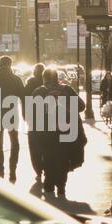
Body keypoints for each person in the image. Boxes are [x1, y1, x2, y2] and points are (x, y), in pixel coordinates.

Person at [33, 68, 85, 200]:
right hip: (66, 130)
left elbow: (33, 113)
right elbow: (81, 106)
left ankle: (49, 184)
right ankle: (61, 185)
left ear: (43, 78)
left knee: (48, 156)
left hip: (46, 132)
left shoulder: (39, 91)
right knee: (63, 158)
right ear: (57, 77)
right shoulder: (67, 89)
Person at [0, 57, 25, 182]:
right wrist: (25, 115)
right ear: (10, 64)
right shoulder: (16, 80)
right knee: (14, 142)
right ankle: (12, 171)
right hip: (12, 114)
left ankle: (0, 169)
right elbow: (23, 98)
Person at [23, 62, 46, 185]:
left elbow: (24, 100)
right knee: (47, 144)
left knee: (34, 146)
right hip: (48, 120)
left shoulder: (29, 84)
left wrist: (25, 116)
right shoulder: (47, 85)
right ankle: (47, 166)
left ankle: (38, 169)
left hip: (32, 119)